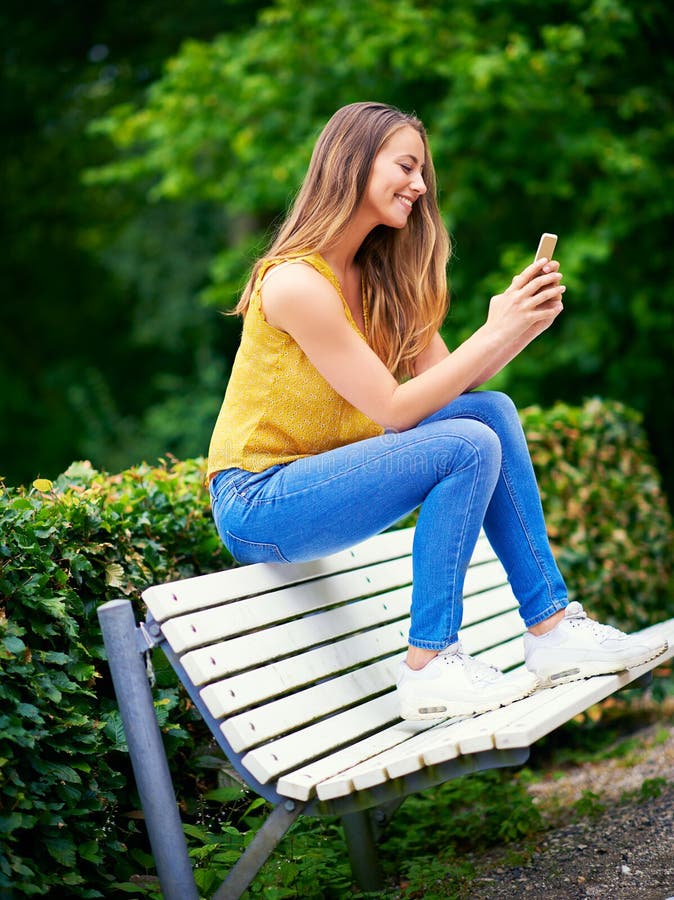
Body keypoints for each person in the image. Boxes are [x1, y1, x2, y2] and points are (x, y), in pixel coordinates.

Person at [207, 101, 667, 721]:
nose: (421, 186)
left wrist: (515, 329)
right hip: (258, 500)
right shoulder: (296, 283)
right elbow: (397, 411)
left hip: (321, 482)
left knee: (490, 414)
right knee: (466, 444)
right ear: (352, 164)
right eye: (407, 166)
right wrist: (494, 329)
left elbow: (449, 393)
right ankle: (429, 664)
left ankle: (551, 629)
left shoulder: (381, 277)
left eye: (423, 172)